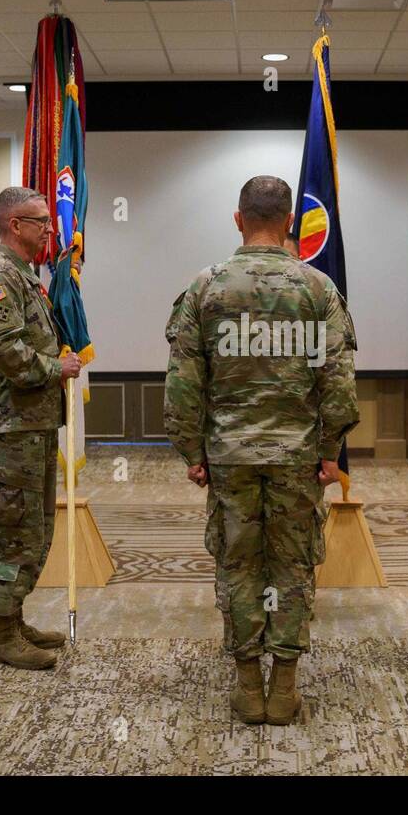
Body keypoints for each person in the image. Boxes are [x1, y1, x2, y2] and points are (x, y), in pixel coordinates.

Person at [164, 175, 359, 724]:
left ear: (238, 219)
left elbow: (182, 382)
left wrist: (192, 450)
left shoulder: (206, 287)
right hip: (298, 456)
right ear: (290, 222)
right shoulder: (317, 288)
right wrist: (330, 451)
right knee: (293, 564)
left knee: (239, 561)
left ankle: (249, 686)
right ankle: (285, 687)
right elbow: (338, 382)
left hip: (229, 455)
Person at [0, 185, 82, 670]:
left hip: (31, 423)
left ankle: (13, 620)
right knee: (12, 528)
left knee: (33, 527)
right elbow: (5, 351)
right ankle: (1, 635)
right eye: (41, 221)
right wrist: (57, 368)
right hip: (12, 426)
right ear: (15, 225)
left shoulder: (24, 276)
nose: (49, 230)